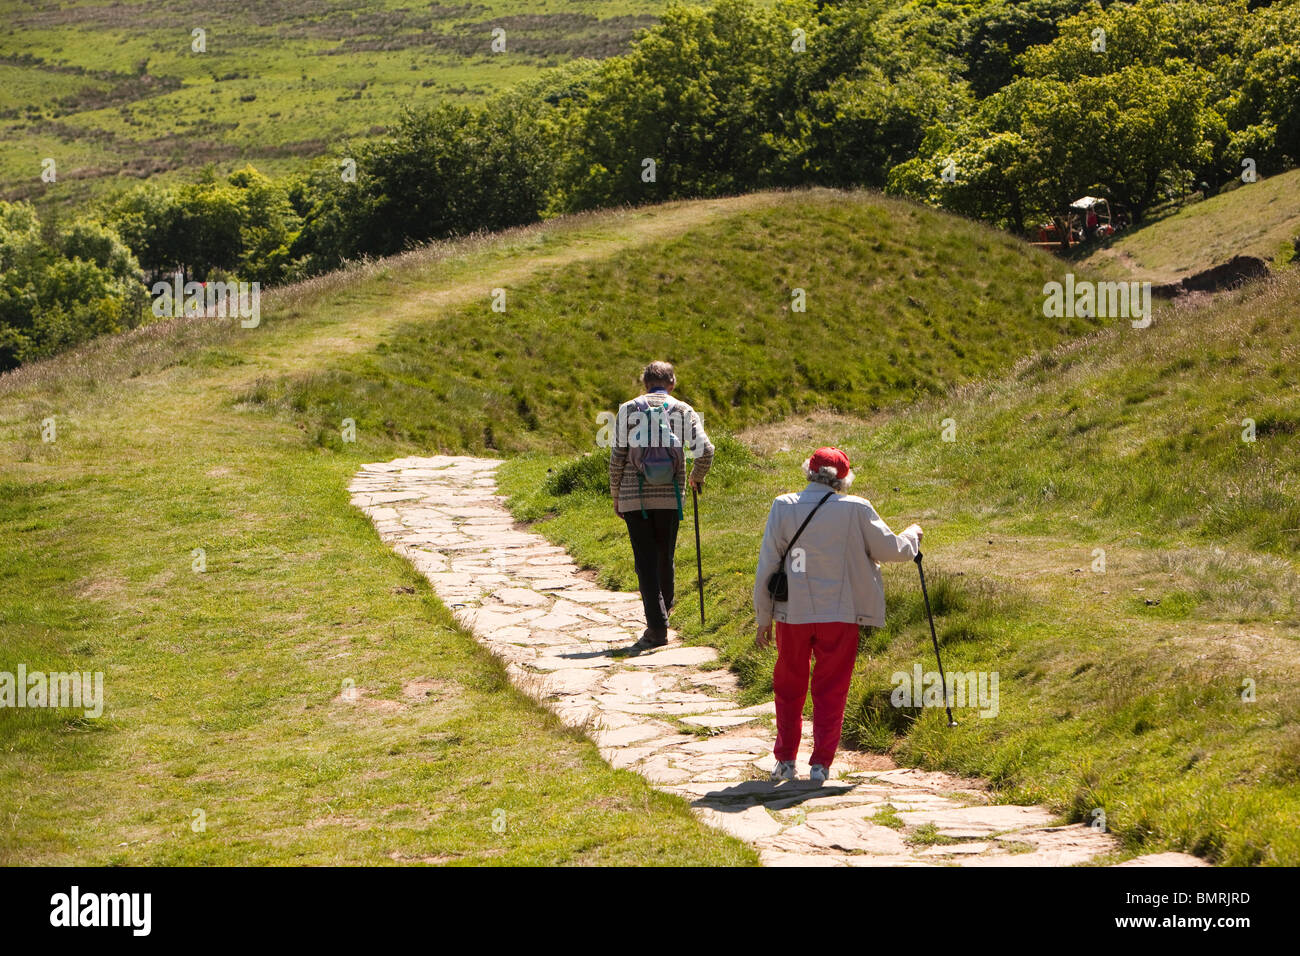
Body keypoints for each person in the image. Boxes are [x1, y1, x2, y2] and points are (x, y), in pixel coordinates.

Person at [753, 447, 921, 786]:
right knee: (831, 688)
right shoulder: (856, 508)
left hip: (792, 614)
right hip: (840, 614)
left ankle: (785, 760)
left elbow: (768, 564)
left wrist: (763, 617)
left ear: (808, 471)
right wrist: (913, 536)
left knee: (789, 687)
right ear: (843, 478)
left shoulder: (783, 506)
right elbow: (891, 550)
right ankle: (821, 765)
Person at [609, 361, 714, 653]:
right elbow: (706, 451)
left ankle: (657, 628)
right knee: (664, 557)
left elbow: (618, 455)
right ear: (672, 382)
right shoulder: (682, 410)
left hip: (635, 497)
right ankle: (663, 614)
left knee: (644, 561)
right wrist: (695, 477)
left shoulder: (628, 409)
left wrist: (616, 493)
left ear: (644, 383)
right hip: (670, 497)